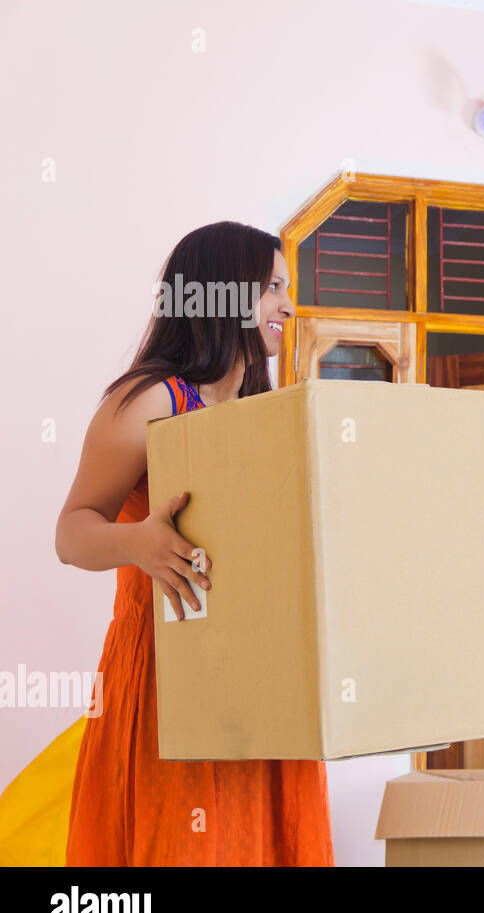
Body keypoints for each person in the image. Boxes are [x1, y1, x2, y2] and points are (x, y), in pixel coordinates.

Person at [50, 221, 333, 865]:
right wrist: (139, 545)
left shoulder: (263, 412)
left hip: (260, 676)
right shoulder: (149, 401)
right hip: (166, 671)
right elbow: (71, 531)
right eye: (273, 289)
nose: (288, 306)